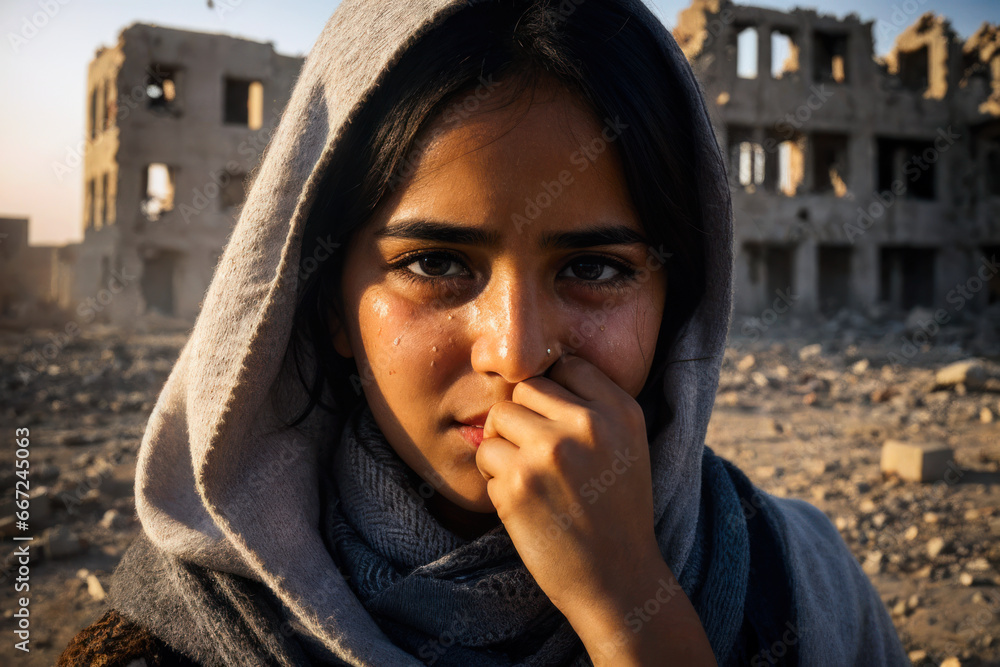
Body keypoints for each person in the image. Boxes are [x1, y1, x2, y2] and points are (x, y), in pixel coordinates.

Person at [58, 0, 909, 665]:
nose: (515, 350)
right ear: (328, 304)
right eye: (434, 264)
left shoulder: (807, 588)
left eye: (598, 268)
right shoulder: (176, 639)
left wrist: (630, 604)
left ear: (676, 304)